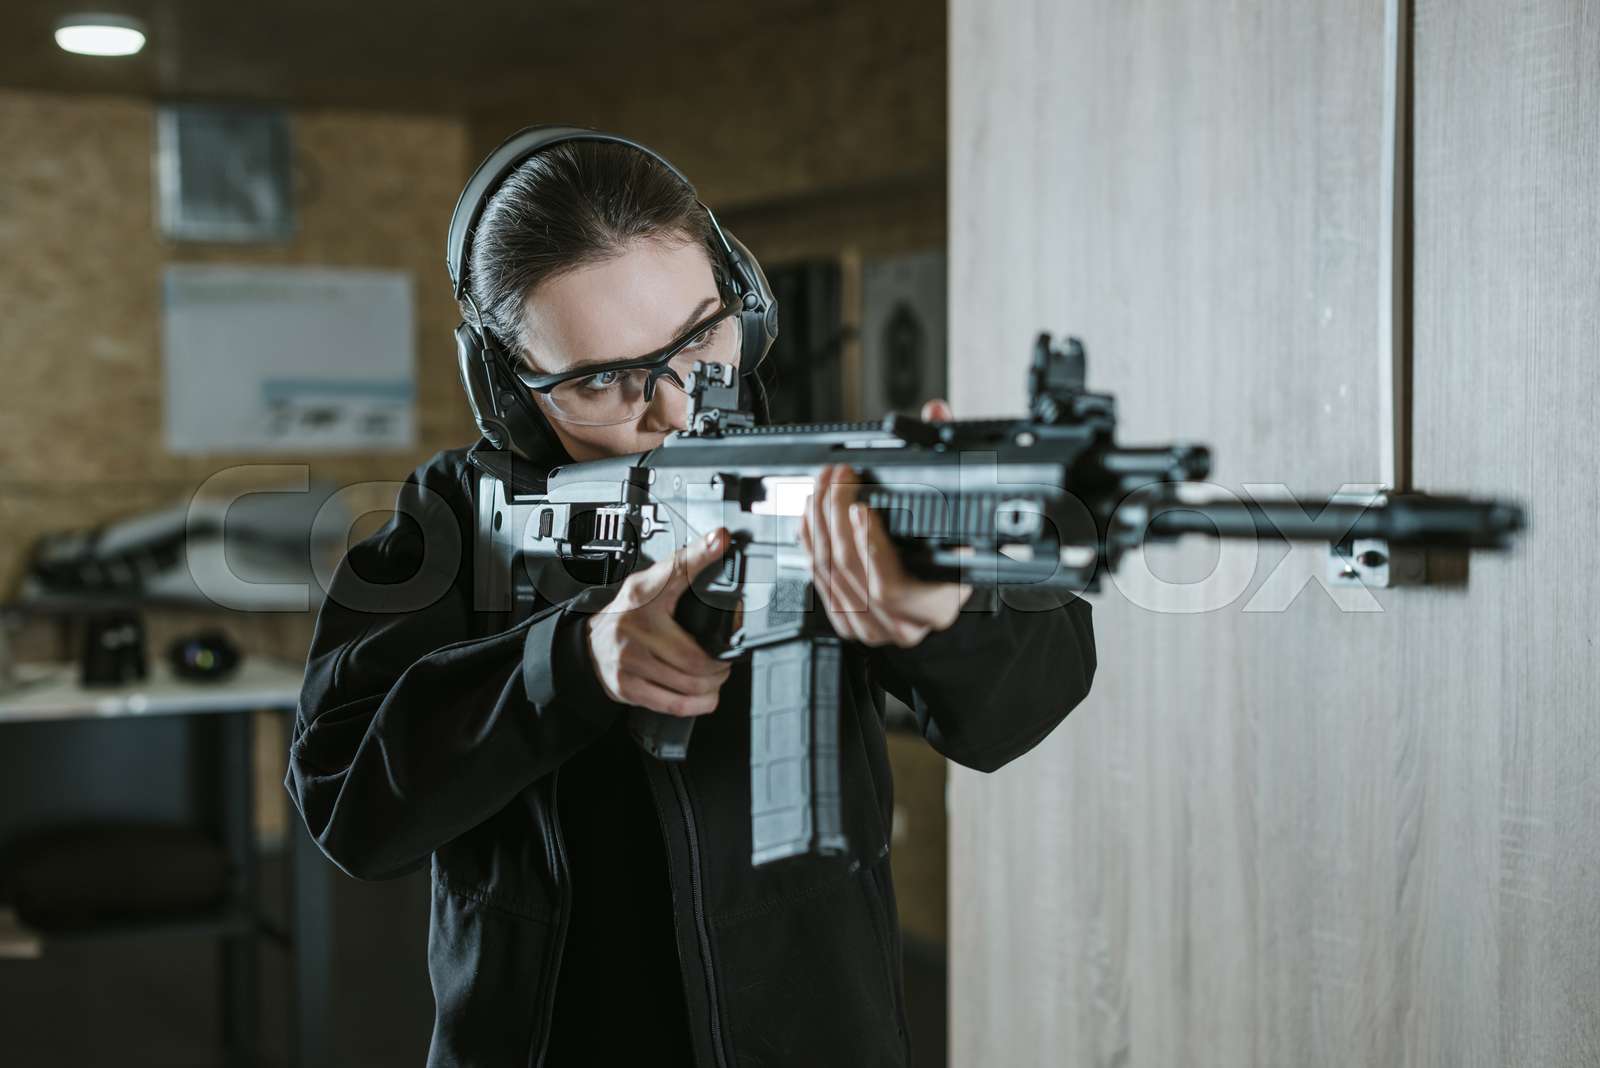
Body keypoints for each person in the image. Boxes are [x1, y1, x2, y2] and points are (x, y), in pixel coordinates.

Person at [286, 128, 1097, 1067]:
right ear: (505, 387)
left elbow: (1022, 708)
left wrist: (952, 621)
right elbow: (346, 805)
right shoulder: (456, 522)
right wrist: (570, 661)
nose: (674, 406)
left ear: (743, 295)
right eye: (603, 379)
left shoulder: (818, 482)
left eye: (701, 335)